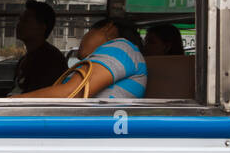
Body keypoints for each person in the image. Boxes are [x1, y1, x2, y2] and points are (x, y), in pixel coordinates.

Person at [19, 16, 147, 99]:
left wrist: (8, 102)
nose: (82, 39)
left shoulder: (121, 48)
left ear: (108, 28)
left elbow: (72, 92)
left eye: (89, 32)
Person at [9, 0, 67, 95]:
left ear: (42, 27)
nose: (19, 25)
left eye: (26, 21)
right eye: (20, 20)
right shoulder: (26, 58)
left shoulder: (51, 60)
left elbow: (39, 97)